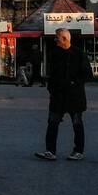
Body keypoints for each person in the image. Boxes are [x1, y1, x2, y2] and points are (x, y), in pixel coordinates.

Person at [36, 28, 90, 161]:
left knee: (77, 123)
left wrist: (73, 83)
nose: (55, 41)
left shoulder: (79, 54)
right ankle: (50, 151)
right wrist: (51, 89)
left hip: (74, 96)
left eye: (57, 38)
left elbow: (87, 74)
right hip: (58, 96)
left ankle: (78, 151)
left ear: (64, 39)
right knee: (52, 123)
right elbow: (52, 74)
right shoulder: (55, 54)